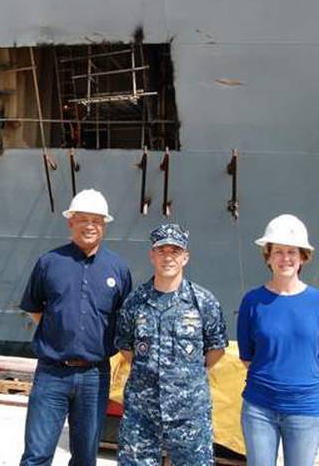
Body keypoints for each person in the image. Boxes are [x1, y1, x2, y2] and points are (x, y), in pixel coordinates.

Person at [19, 188, 133, 466]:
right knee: (37, 455)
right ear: (71, 222)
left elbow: (123, 318)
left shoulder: (118, 269)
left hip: (95, 376)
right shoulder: (49, 263)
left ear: (104, 225)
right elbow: (35, 307)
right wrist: (60, 335)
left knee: (85, 458)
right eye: (83, 219)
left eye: (96, 220)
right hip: (51, 374)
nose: (89, 226)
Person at [115, 224, 228, 465]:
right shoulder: (135, 302)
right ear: (152, 256)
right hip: (142, 411)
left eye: (175, 251)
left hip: (189, 412)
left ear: (185, 257)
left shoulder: (203, 302)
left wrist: (186, 375)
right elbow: (125, 346)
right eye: (162, 251)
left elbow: (216, 348)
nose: (168, 257)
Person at [237, 214, 319, 466]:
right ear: (267, 257)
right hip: (259, 409)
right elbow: (247, 357)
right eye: (278, 252)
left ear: (303, 257)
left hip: (304, 409)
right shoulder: (252, 301)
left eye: (292, 252)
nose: (285, 259)